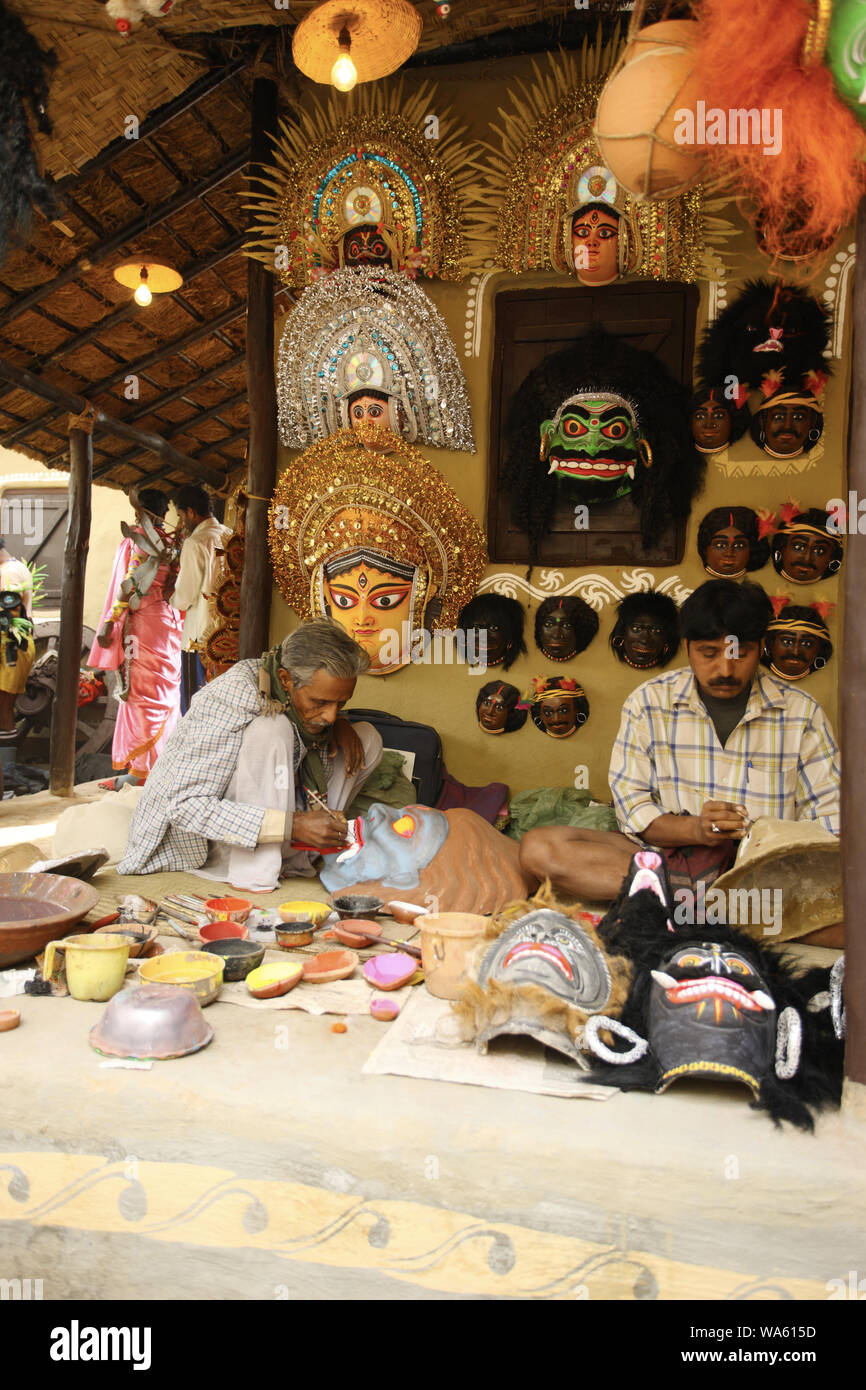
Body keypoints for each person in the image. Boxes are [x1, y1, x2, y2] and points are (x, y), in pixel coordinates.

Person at [519, 580, 841, 944]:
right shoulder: (649, 702)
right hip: (665, 860)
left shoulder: (800, 712)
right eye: (709, 653)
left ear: (760, 648)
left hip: (763, 871)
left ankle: (686, 909)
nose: (725, 668)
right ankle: (733, 915)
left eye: (741, 652)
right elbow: (633, 808)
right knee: (539, 848)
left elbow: (831, 818)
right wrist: (697, 831)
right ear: (687, 648)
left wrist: (762, 847)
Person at [118, 618, 383, 894]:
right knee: (273, 727)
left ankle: (314, 846)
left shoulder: (301, 695)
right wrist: (293, 825)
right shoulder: (231, 696)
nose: (330, 715)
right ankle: (255, 873)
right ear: (285, 680)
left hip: (282, 826)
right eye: (321, 702)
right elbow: (185, 807)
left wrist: (341, 722)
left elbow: (323, 724)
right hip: (213, 846)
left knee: (367, 737)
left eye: (341, 703)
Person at [87, 488, 183, 789]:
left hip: (142, 626)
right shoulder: (171, 544)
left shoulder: (137, 541)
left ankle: (141, 771)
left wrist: (108, 624)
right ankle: (163, 764)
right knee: (165, 695)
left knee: (139, 694)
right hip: (168, 626)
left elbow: (127, 586)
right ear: (163, 513)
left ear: (139, 511)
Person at [170, 484, 231, 711]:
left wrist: (171, 598)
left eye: (181, 515)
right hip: (228, 637)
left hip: (200, 640)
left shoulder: (195, 543)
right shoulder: (228, 535)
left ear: (191, 512)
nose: (182, 522)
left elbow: (184, 596)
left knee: (194, 705)